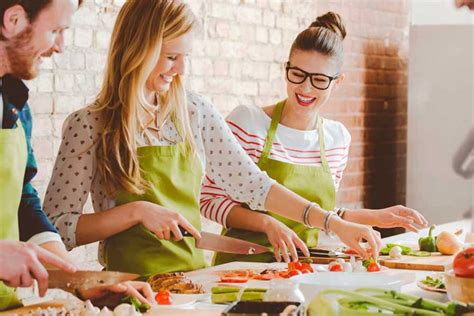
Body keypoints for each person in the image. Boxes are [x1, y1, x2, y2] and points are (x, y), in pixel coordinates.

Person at [44, 0, 385, 278]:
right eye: (171, 57)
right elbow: (57, 229)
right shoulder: (89, 125)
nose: (180, 70)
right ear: (138, 48)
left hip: (191, 284)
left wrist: (333, 222)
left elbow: (254, 185)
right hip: (127, 290)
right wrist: (136, 212)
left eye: (185, 58)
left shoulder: (194, 112)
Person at [200, 12, 429, 264]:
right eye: (297, 74)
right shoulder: (248, 123)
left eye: (319, 80)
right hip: (240, 269)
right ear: (285, 68)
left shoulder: (337, 138)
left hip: (301, 268)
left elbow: (320, 216)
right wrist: (267, 223)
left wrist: (375, 217)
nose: (305, 88)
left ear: (337, 82)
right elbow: (209, 200)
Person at [0, 0, 152, 310]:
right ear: (14, 19)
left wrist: (77, 280)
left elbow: (21, 202)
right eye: (55, 30)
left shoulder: (15, 104)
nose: (60, 47)